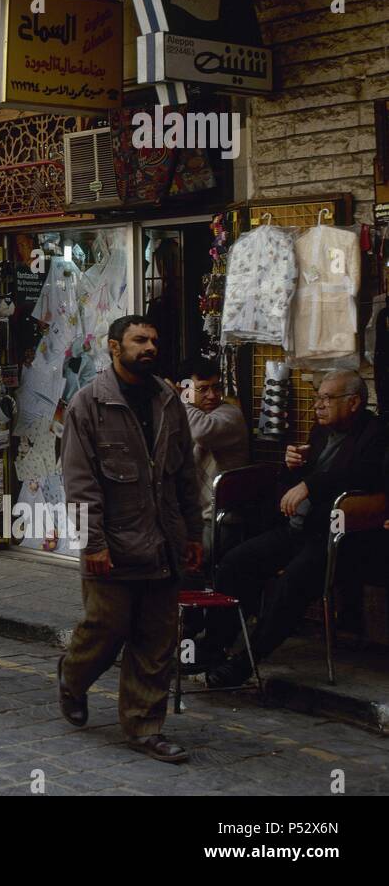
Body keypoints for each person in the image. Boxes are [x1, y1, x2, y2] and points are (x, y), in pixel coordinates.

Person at [57, 315, 202, 763]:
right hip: (113, 545)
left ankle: (144, 727)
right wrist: (93, 543)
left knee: (156, 642)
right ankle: (73, 678)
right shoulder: (87, 404)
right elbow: (80, 482)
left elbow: (185, 474)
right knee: (105, 629)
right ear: (114, 347)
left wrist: (193, 533)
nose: (150, 347)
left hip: (163, 543)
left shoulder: (168, 401)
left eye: (154, 339)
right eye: (139, 340)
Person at [204, 370, 386, 688]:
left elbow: (362, 475)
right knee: (236, 562)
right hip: (300, 529)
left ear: (354, 402)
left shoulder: (376, 433)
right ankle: (214, 646)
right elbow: (295, 485)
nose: (318, 405)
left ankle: (246, 662)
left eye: (327, 398)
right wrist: (292, 468)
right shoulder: (321, 432)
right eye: (318, 398)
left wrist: (309, 483)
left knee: (292, 582)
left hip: (340, 537)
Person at [177, 357, 250, 551]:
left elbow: (202, 431)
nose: (212, 395)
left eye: (216, 388)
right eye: (203, 389)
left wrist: (179, 399)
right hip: (188, 518)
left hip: (218, 521)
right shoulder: (184, 417)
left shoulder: (230, 414)